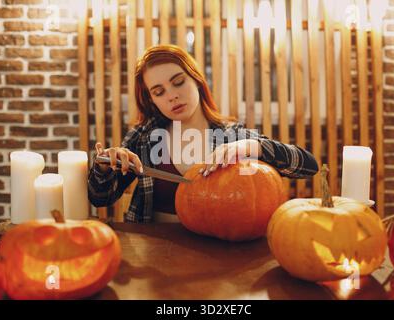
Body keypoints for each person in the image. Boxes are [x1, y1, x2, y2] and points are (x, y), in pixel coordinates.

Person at [88, 44, 318, 223]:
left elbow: (308, 166)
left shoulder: (231, 135)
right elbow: (100, 198)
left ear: (196, 80)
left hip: (215, 253)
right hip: (152, 253)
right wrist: (104, 167)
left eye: (178, 82)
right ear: (152, 100)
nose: (172, 96)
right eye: (159, 92)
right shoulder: (143, 137)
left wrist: (252, 147)